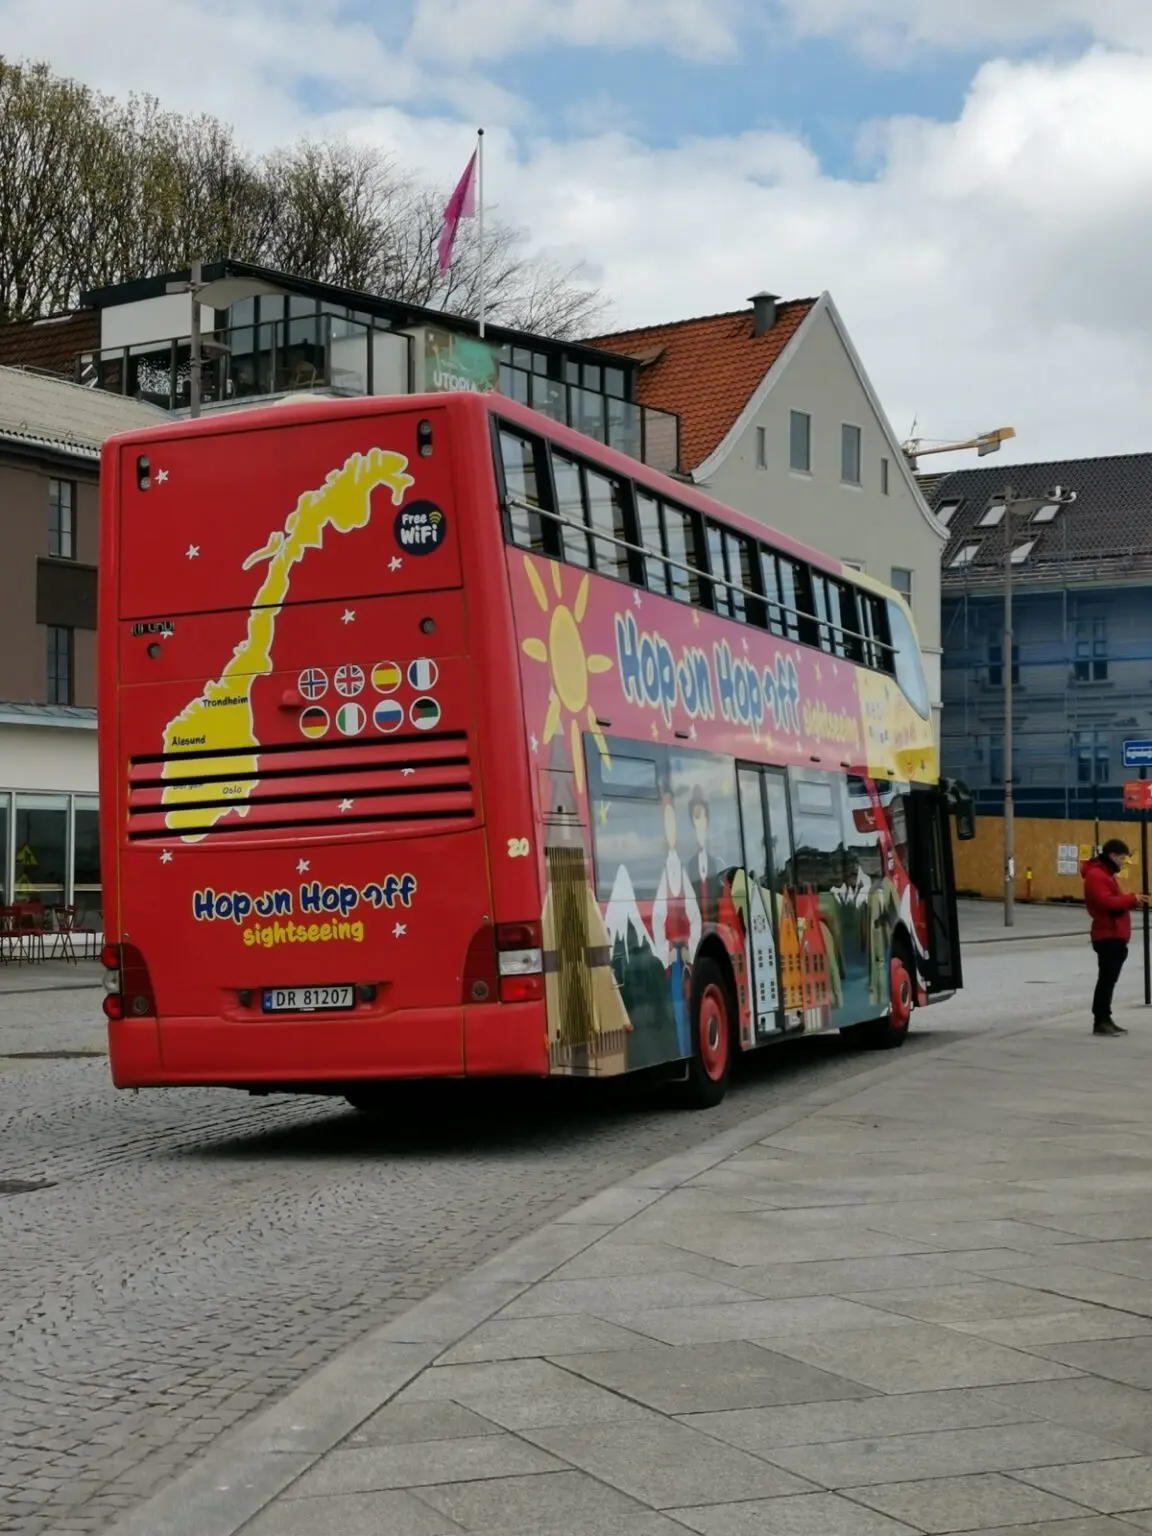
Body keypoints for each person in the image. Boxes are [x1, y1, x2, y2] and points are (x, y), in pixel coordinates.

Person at [1081, 840, 1147, 1036]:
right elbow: (1105, 902)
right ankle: (1100, 1020)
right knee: (1106, 979)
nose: (1123, 862)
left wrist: (1132, 899)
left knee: (1109, 980)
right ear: (1112, 855)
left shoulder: (1106, 875)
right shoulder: (1097, 875)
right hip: (1107, 934)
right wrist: (1131, 899)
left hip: (1114, 934)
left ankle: (1105, 1018)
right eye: (1121, 858)